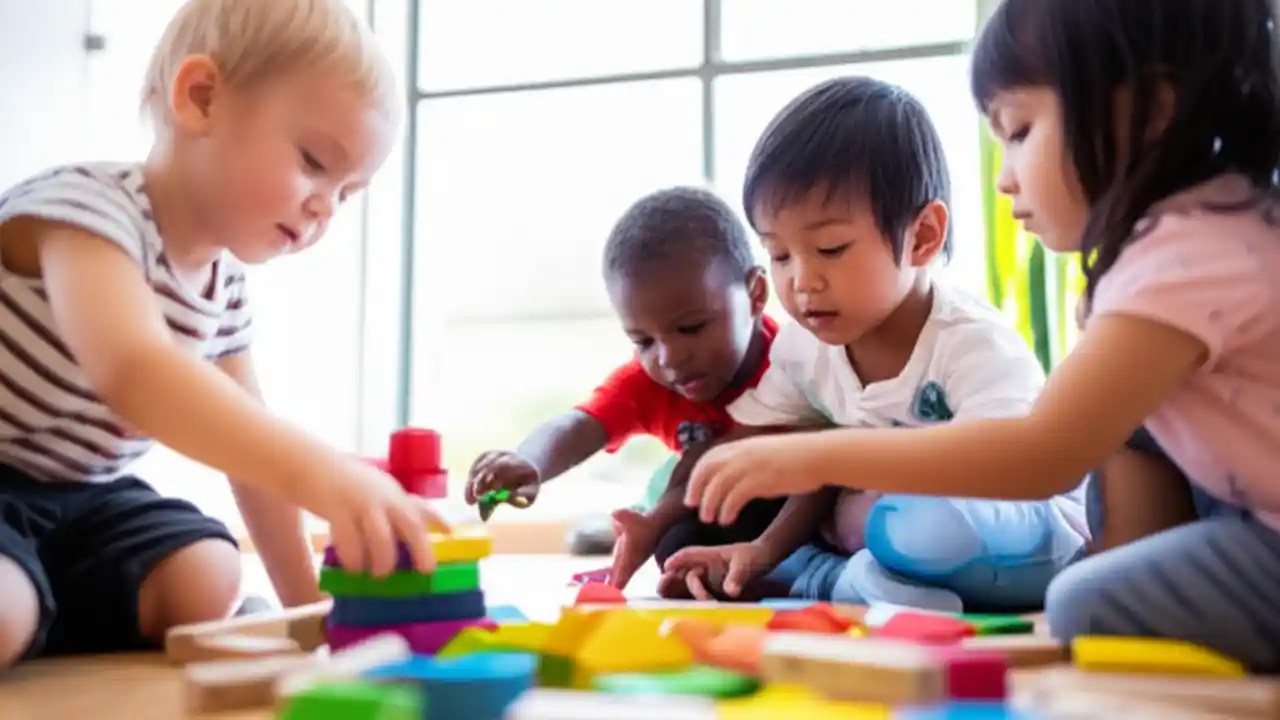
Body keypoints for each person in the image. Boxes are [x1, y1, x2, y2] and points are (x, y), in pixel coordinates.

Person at [686, 0, 1280, 671]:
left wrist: (815, 457)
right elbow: (1125, 450)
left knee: (1082, 603)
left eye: (1019, 131)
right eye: (779, 254)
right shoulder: (1176, 249)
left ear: (1148, 112)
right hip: (1240, 516)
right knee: (1099, 560)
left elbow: (1043, 454)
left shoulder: (1186, 257)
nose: (1003, 177)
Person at [0, 0, 442, 668]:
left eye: (347, 192)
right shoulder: (84, 211)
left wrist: (309, 610)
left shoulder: (223, 289)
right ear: (202, 98)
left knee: (208, 574)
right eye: (314, 162)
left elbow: (251, 458)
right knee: (4, 611)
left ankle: (41, 607)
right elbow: (135, 370)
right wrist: (323, 472)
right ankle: (27, 608)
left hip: (81, 494)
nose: (325, 206)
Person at [662, 77, 1088, 610]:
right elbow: (751, 445)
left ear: (922, 237)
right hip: (887, 540)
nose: (802, 282)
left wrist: (822, 459)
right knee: (706, 535)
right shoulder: (803, 349)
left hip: (1019, 531)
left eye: (831, 248)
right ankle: (861, 583)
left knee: (909, 522)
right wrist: (699, 530)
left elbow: (1011, 468)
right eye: (780, 254)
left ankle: (832, 579)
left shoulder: (972, 345)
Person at [465, 187, 785, 593]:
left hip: (798, 506)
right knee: (678, 543)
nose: (669, 358)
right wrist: (529, 462)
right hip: (716, 510)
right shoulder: (653, 382)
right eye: (643, 341)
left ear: (755, 295)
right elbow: (581, 425)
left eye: (691, 328)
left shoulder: (795, 364)